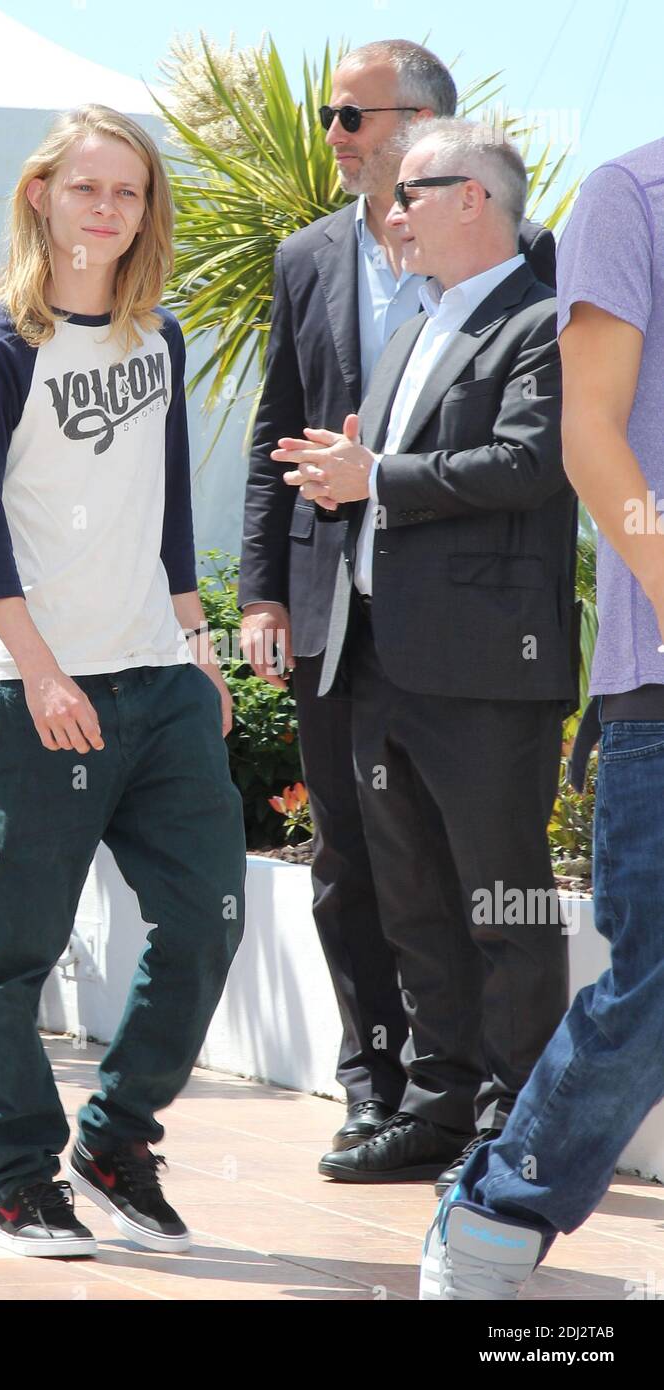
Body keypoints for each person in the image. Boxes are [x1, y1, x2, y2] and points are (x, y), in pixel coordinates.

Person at [238, 39, 556, 1167]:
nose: (391, 211)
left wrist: (376, 478)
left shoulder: (541, 315)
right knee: (407, 896)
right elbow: (350, 456)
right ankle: (429, 1107)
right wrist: (334, 481)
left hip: (480, 666)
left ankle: (521, 1123)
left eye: (411, 188)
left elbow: (530, 464)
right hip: (369, 656)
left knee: (502, 901)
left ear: (467, 197)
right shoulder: (412, 321)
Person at [0, 104, 247, 1258]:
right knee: (17, 951)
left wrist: (198, 646)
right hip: (32, 695)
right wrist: (41, 673)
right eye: (85, 188)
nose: (106, 209)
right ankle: (19, 1177)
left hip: (157, 686)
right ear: (41, 197)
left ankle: (116, 1137)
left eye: (127, 192)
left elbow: (167, 517)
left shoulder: (154, 339)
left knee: (208, 918)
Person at [419, 135, 664, 1300]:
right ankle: (495, 1212)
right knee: (654, 979)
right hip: (661, 671)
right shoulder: (631, 194)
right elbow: (586, 434)